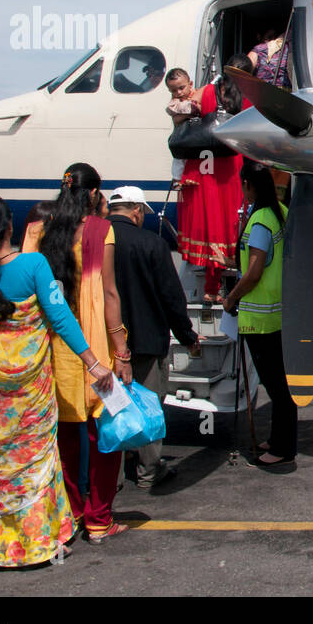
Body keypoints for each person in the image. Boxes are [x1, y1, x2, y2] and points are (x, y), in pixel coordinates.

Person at [0, 194, 115, 567]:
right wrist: (93, 363)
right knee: (36, 464)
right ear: (9, 226)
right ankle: (38, 542)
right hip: (31, 395)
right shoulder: (34, 265)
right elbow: (61, 318)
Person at [27, 162, 134, 543]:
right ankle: (99, 519)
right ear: (92, 194)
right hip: (94, 350)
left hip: (51, 348)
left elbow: (28, 291)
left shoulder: (37, 230)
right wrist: (122, 350)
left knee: (63, 438)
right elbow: (109, 294)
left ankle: (69, 514)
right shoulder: (100, 229)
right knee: (107, 435)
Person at [105, 185, 202, 486]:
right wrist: (187, 336)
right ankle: (149, 470)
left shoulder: (92, 242)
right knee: (148, 405)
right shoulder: (151, 243)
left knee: (109, 406)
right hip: (146, 341)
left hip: (102, 340)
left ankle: (112, 476)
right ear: (136, 211)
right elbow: (171, 297)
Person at [223, 162, 296, 468]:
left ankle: (281, 448)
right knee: (280, 384)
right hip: (278, 313)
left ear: (248, 186)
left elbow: (254, 271)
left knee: (276, 386)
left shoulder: (260, 220)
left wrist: (231, 297)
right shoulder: (281, 212)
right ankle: (279, 439)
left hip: (260, 319)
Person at [166, 68, 243, 303]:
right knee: (224, 224)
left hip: (203, 168)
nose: (179, 93)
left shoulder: (202, 94)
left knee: (211, 225)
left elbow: (179, 112)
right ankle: (221, 281)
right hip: (224, 166)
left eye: (181, 88)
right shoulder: (227, 95)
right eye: (175, 90)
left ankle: (212, 286)